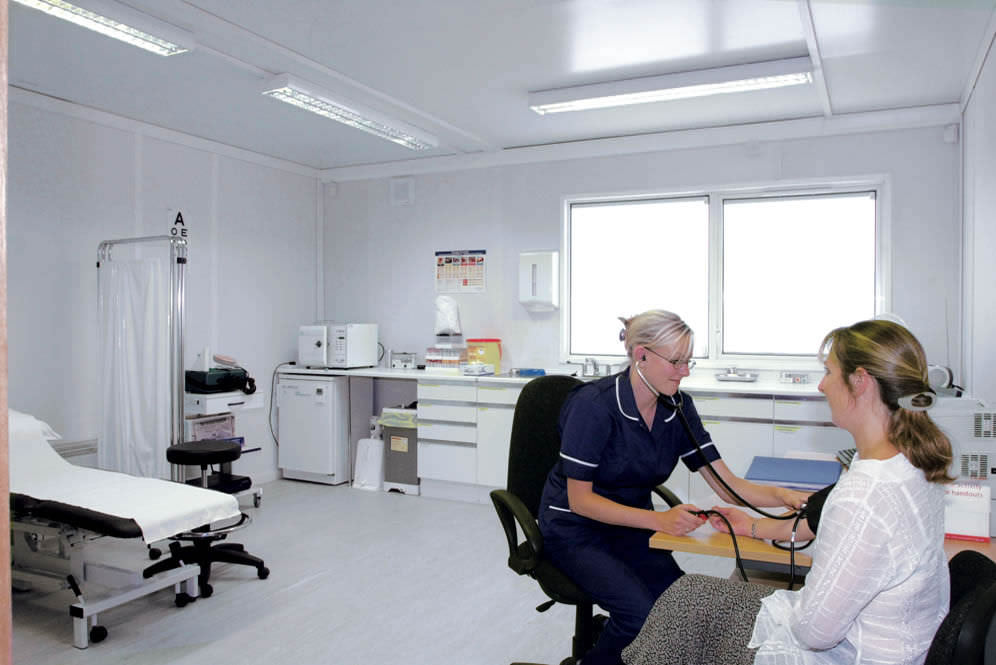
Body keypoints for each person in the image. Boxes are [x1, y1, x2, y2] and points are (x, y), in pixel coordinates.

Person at [623, 319, 953, 665]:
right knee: (688, 595)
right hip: (887, 642)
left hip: (848, 655)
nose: (822, 385)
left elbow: (815, 632)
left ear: (860, 381)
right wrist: (754, 527)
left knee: (685, 617)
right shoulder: (909, 463)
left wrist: (780, 613)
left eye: (829, 372)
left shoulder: (864, 496)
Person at [537, 310, 809, 665]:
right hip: (576, 529)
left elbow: (727, 484)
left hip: (632, 528)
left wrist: (782, 496)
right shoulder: (594, 406)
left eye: (688, 361)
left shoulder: (677, 407)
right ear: (641, 355)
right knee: (638, 615)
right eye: (676, 361)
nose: (685, 372)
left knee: (681, 606)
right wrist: (660, 521)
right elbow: (581, 501)